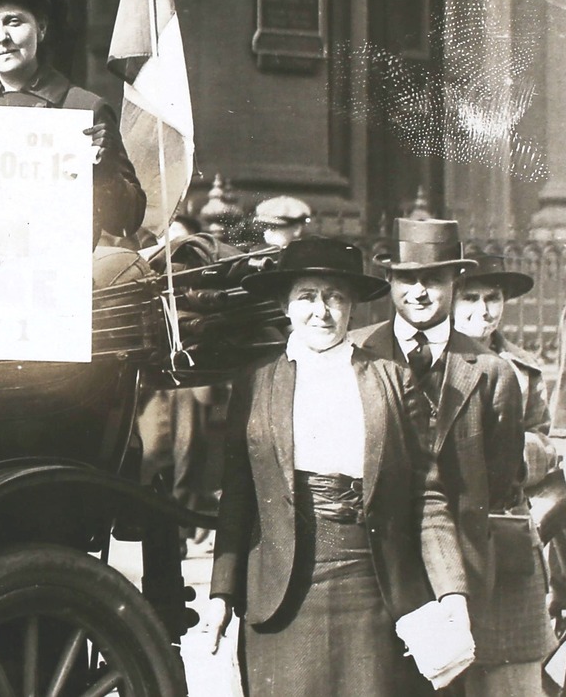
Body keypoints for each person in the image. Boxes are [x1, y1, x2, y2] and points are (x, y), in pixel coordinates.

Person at [208, 237, 469, 696]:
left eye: (335, 297)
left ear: (352, 308)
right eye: (307, 296)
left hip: (373, 586)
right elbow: (239, 495)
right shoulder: (255, 386)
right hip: (284, 590)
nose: (322, 311)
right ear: (285, 305)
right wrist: (221, 596)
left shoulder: (392, 379)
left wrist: (452, 592)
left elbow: (426, 493)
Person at [352, 218, 532, 696]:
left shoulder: (492, 373)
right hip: (372, 559)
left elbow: (499, 480)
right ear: (390, 282)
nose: (420, 292)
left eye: (433, 279)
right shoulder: (356, 354)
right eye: (407, 279)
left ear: (455, 283)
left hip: (457, 571)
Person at [0, 0, 146, 243]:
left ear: (40, 28)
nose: (1, 37)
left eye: (13, 21)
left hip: (59, 275)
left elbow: (126, 223)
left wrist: (103, 174)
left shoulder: (83, 109)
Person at [452, 250, 557, 672]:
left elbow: (544, 440)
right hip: (447, 519)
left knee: (509, 660)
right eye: (470, 298)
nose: (483, 310)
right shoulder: (432, 362)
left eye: (492, 298)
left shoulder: (524, 368)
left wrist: (516, 455)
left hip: (503, 523)